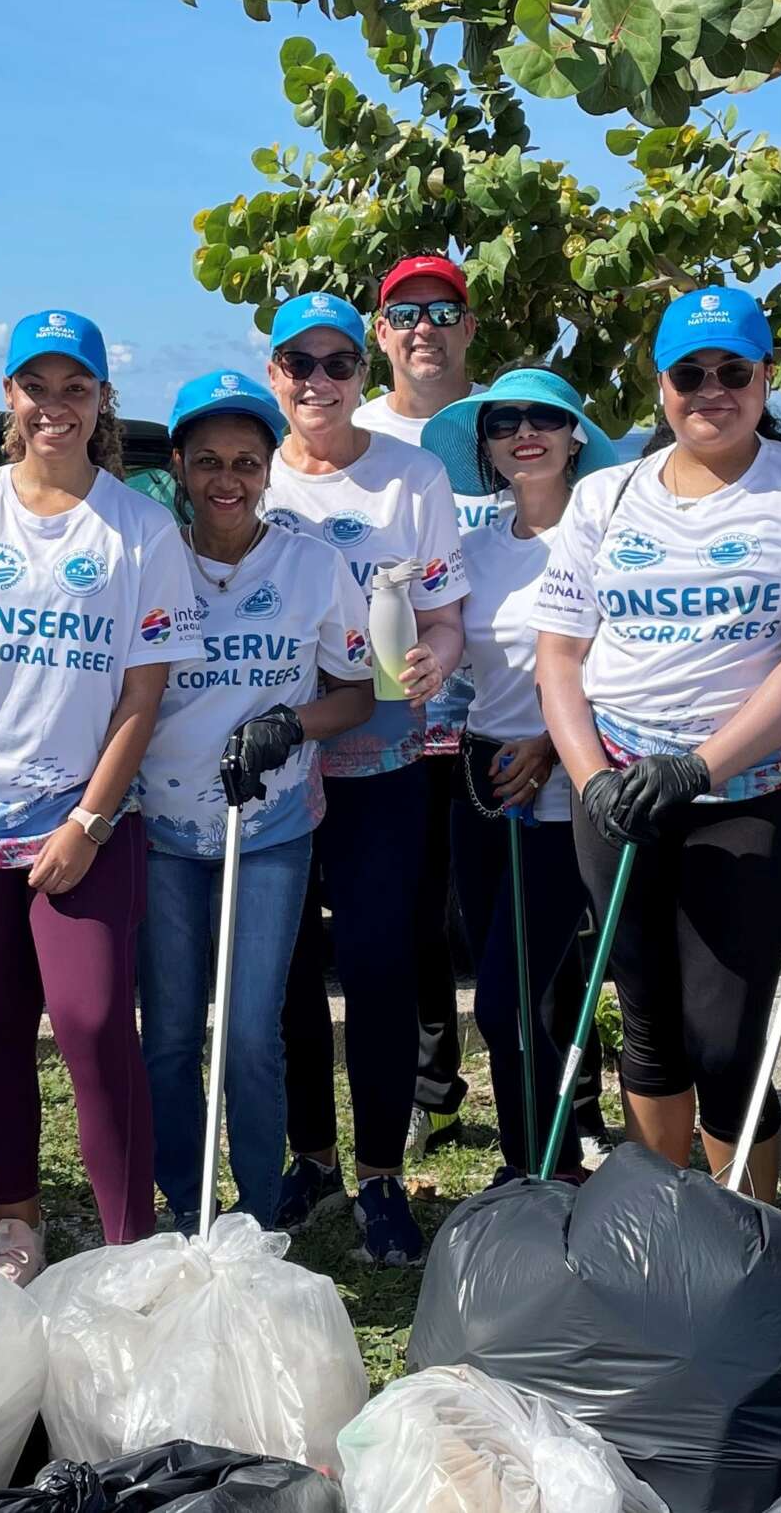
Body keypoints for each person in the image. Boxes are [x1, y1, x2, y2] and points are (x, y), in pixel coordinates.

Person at [0, 309, 202, 1284]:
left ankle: (129, 1242)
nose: (55, 406)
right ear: (9, 396)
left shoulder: (139, 527)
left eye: (76, 388)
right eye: (37, 386)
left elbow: (142, 696)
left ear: (102, 400)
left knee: (93, 1024)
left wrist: (89, 822)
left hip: (81, 822)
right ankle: (18, 1221)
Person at [534, 286, 781, 1200]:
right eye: (691, 373)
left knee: (725, 1037)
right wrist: (591, 779)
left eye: (734, 371)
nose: (712, 391)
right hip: (616, 790)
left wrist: (698, 767)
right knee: (648, 1019)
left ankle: (741, 1230)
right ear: (662, 385)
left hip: (746, 792)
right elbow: (559, 655)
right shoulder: (605, 495)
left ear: (766, 377)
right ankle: (659, 1220)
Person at [135, 370, 377, 1231]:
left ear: (270, 467)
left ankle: (258, 1216)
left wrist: (289, 723)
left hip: (268, 831)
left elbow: (359, 693)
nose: (227, 479)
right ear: (178, 465)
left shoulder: (313, 566)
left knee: (247, 1034)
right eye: (208, 461)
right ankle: (184, 1204)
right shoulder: (147, 560)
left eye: (245, 461)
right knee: (169, 1033)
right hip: (160, 832)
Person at [261, 290, 468, 1266]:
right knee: (285, 972)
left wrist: (434, 660)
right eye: (298, 364)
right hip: (276, 761)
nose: (319, 381)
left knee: (381, 967)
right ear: (274, 375)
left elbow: (445, 617)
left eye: (337, 363)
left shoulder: (411, 476)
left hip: (382, 759)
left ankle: (382, 1177)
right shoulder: (248, 471)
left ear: (360, 371)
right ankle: (311, 1159)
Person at [417, 367, 622, 1181]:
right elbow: (443, 642)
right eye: (503, 422)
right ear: (486, 447)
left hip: (569, 777)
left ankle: (551, 1166)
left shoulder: (608, 535)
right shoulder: (471, 551)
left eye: (544, 416)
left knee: (508, 996)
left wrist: (550, 743)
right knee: (512, 993)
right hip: (482, 775)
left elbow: (629, 663)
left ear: (576, 436)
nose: (524, 432)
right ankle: (531, 1168)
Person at [355, 255, 498, 1160]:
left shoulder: (507, 421)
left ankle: (569, 1100)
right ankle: (431, 1092)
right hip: (394, 720)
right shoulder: (355, 430)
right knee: (411, 917)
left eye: (443, 312)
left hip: (502, 715)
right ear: (381, 333)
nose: (424, 329)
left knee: (513, 916)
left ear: (469, 328)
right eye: (405, 313)